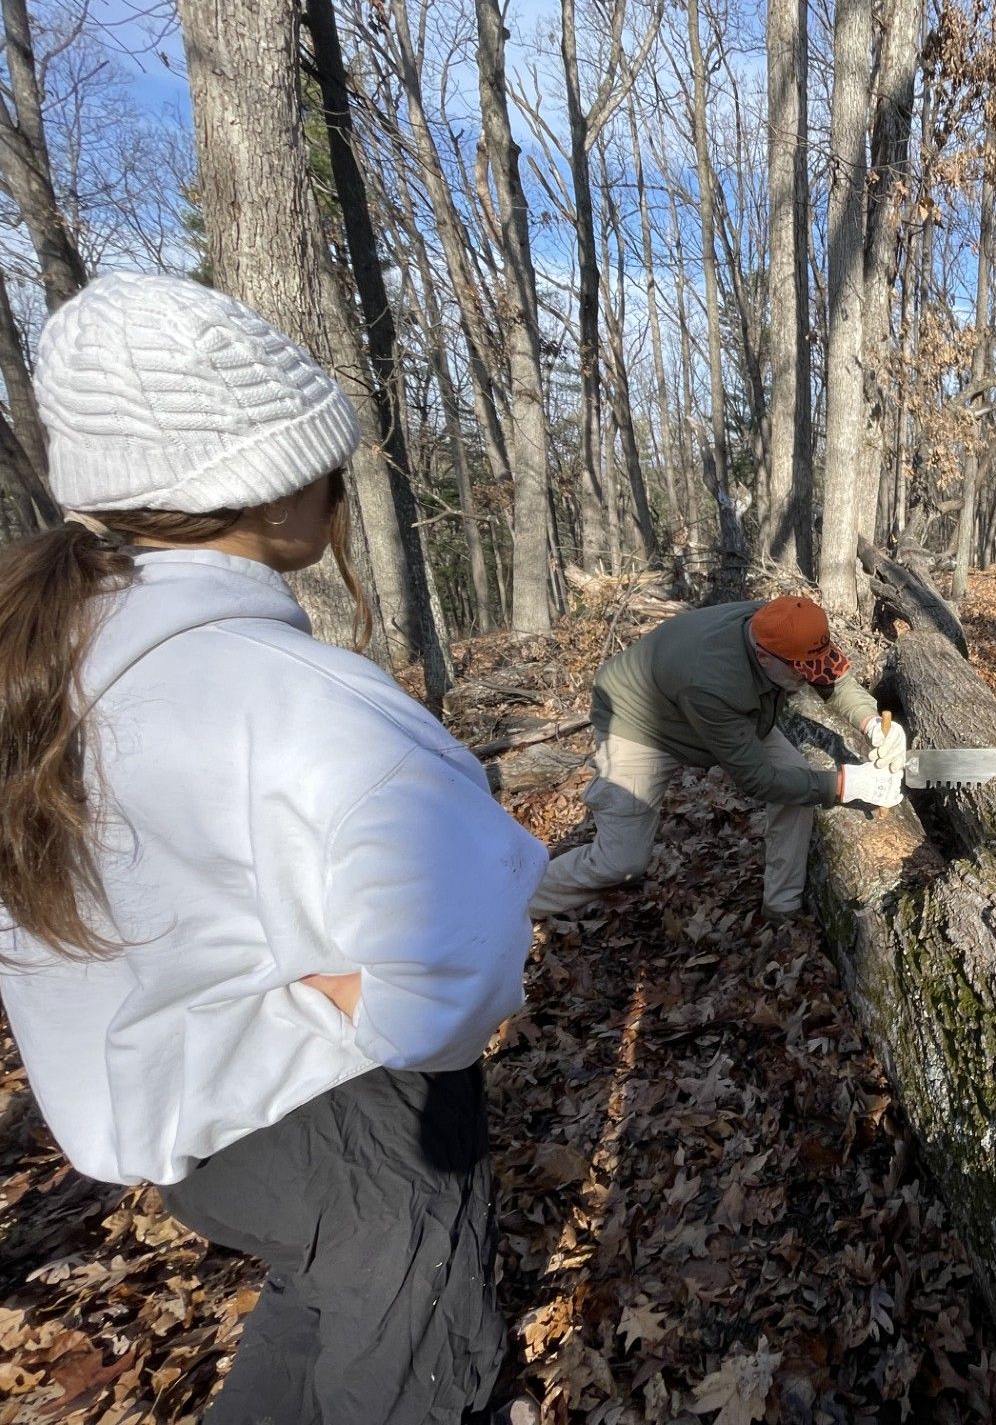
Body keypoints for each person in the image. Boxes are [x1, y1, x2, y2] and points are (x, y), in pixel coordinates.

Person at [0, 273, 546, 1424]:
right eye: (327, 463)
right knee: (409, 1371)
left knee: (314, 1297)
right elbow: (457, 974)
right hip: (341, 1124)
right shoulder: (301, 700)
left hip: (184, 1134)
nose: (337, 491)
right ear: (272, 480)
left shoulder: (53, 668)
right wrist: (352, 998)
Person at [529, 596, 907, 921]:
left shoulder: (782, 625)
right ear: (764, 656)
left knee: (796, 778)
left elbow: (832, 680)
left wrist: (872, 723)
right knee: (619, 862)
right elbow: (756, 780)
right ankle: (520, 901)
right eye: (799, 672)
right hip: (637, 723)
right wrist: (844, 784)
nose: (808, 678)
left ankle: (782, 908)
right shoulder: (710, 681)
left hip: (721, 709)